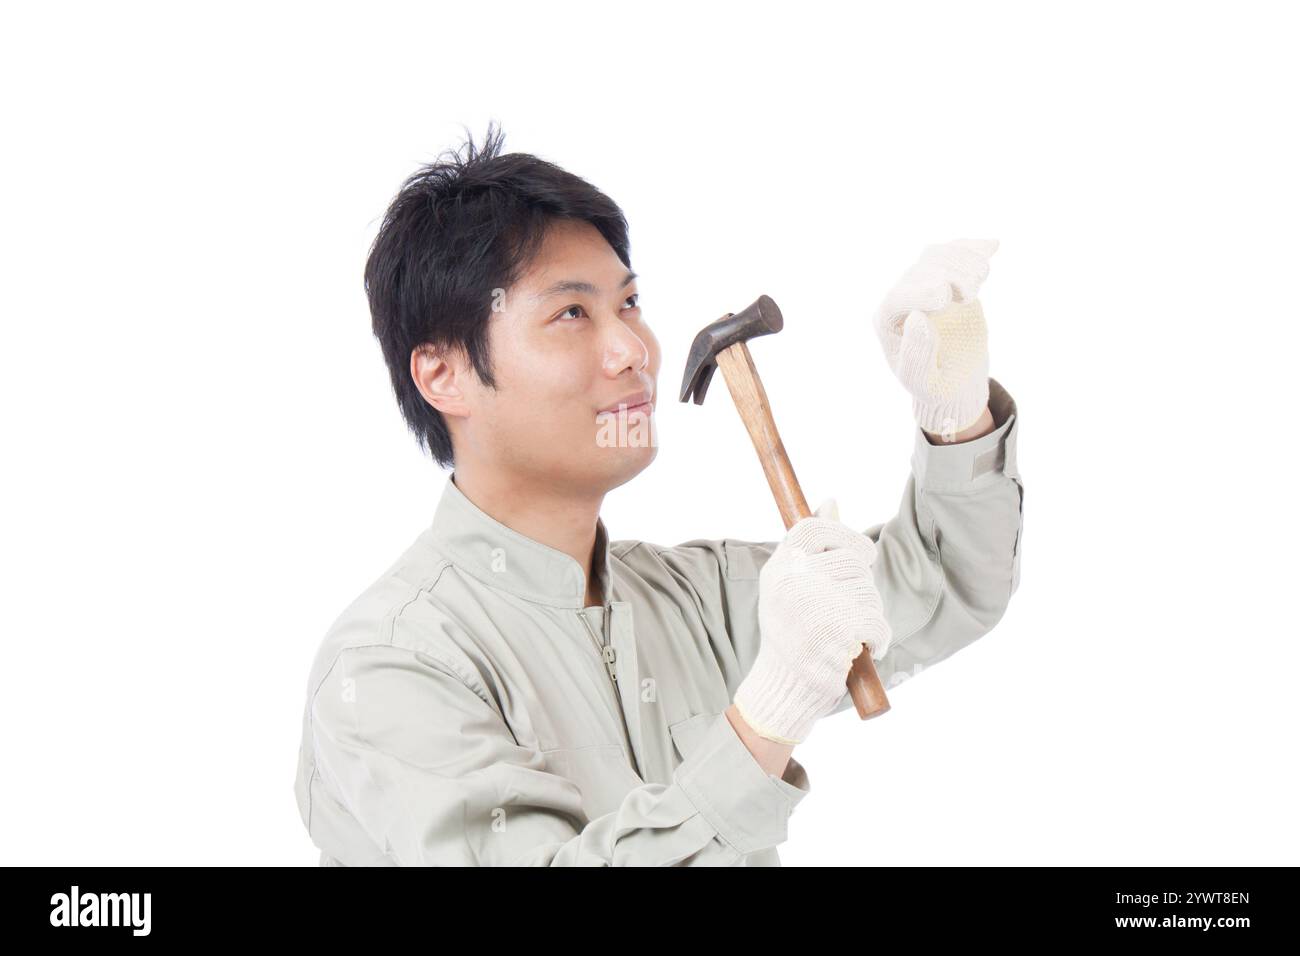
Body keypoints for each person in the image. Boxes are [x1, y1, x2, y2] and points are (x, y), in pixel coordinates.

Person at [292, 122, 1025, 866]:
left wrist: (954, 413)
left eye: (631, 303)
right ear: (442, 374)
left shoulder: (695, 598)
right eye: (572, 313)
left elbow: (945, 587)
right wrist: (768, 714)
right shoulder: (392, 665)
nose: (633, 349)